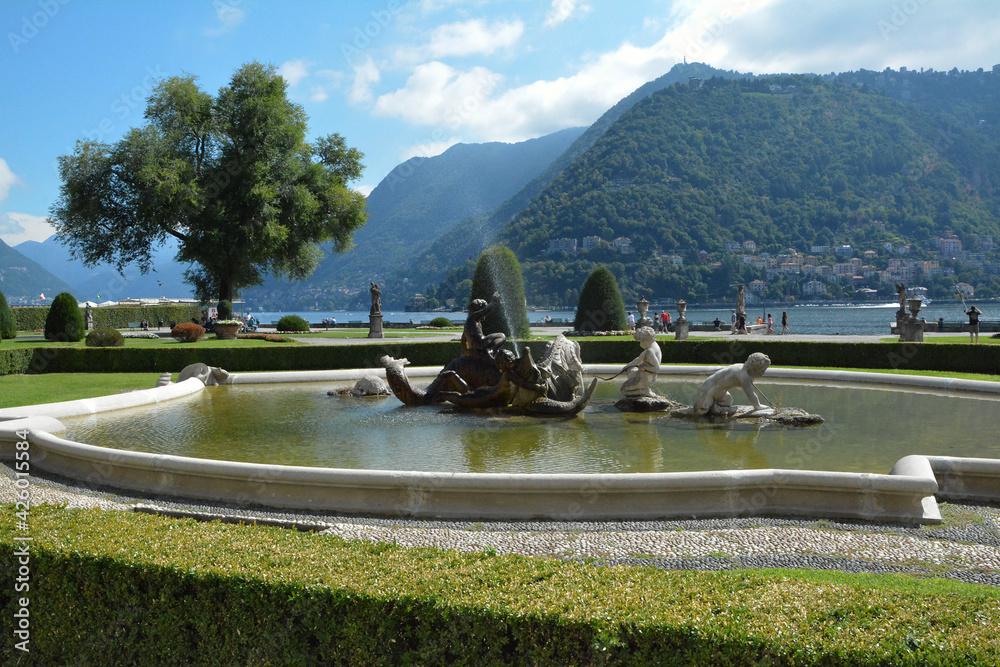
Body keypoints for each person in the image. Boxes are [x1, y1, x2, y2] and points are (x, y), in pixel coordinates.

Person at [693, 352, 771, 416]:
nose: (762, 373)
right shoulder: (744, 376)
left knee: (728, 400)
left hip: (718, 391)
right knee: (702, 412)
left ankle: (715, 408)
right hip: (707, 391)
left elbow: (739, 387)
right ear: (754, 367)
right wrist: (758, 406)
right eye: (761, 370)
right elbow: (750, 394)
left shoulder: (741, 368)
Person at [619, 326, 662, 398]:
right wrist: (627, 366)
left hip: (644, 380)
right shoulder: (654, 347)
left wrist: (644, 367)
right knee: (630, 371)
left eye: (640, 341)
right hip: (648, 377)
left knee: (624, 390)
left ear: (644, 340)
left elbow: (657, 369)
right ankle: (644, 390)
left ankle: (644, 391)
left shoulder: (649, 351)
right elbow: (640, 358)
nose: (640, 344)